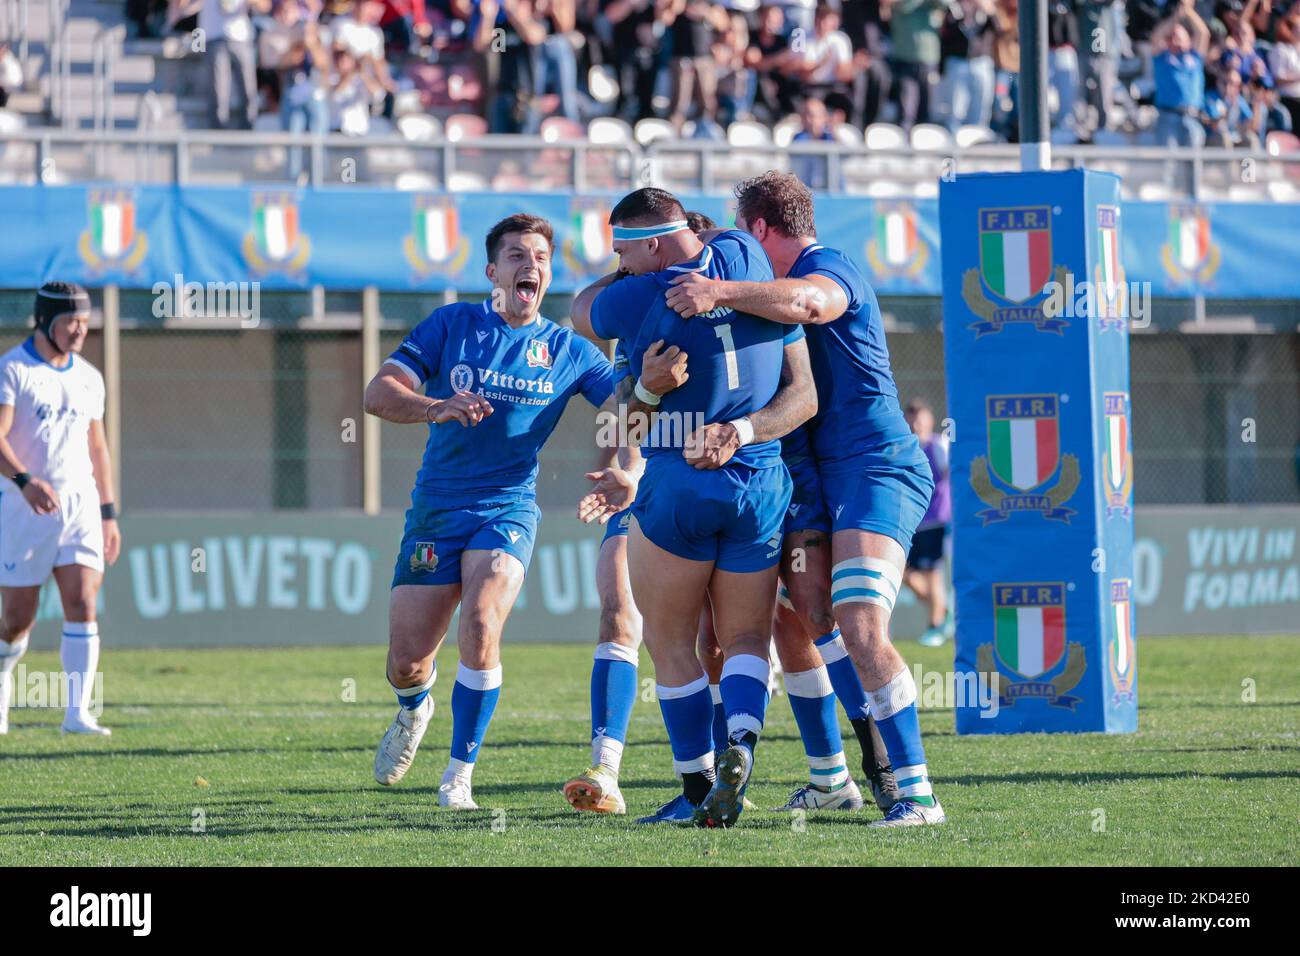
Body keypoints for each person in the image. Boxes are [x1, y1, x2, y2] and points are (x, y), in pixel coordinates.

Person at [664, 171, 944, 827]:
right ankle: (834, 778)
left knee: (859, 619)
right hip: (810, 477)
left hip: (875, 467)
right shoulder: (754, 301)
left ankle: (915, 790)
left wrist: (718, 290)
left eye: (741, 242)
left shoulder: (828, 265)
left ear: (760, 230)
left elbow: (810, 304)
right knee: (804, 612)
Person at [570, 187, 818, 828]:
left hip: (679, 473)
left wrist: (647, 391)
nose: (621, 262)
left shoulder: (638, 298)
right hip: (758, 477)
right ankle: (742, 743)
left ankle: (697, 784)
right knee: (744, 639)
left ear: (651, 243)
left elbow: (583, 314)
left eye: (625, 248)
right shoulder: (747, 257)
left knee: (671, 642)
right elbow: (803, 391)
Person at [364, 214, 615, 809]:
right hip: (437, 508)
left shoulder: (568, 351)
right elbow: (377, 394)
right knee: (406, 661)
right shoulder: (452, 324)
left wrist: (628, 464)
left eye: (540, 257)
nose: (531, 265)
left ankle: (458, 777)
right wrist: (436, 406)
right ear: (492, 270)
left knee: (481, 621)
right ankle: (413, 706)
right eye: (517, 255)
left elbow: (631, 404)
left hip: (507, 509)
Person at [0, 283, 122, 736]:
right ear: (45, 320)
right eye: (71, 321)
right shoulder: (12, 370)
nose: (80, 330)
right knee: (17, 619)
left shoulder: (90, 377)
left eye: (86, 322)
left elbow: (98, 447)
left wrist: (108, 513)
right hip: (22, 507)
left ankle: (77, 714)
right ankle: (3, 677)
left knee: (82, 600)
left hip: (80, 506)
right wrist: (24, 482)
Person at [903, 398, 953, 648]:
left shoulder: (938, 445)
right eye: (911, 418)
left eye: (920, 418)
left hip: (935, 521)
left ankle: (936, 626)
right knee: (904, 574)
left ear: (929, 420)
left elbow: (949, 475)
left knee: (933, 573)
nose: (916, 424)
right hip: (911, 523)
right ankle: (943, 612)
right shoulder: (904, 449)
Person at [201, 0, 270, 129]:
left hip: (242, 39)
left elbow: (265, 6)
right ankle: (217, 134)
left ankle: (248, 130)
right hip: (215, 38)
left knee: (249, 90)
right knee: (218, 91)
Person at [1151, 5, 1211, 147]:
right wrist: (1176, 17)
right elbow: (1156, 36)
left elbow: (1203, 33)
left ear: (1188, 40)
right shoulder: (1162, 58)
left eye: (1178, 37)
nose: (1174, 41)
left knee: (1194, 165)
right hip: (1167, 117)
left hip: (1192, 117)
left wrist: (1188, 9)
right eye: (1171, 37)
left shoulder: (1195, 58)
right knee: (1167, 164)